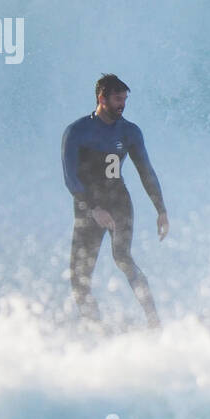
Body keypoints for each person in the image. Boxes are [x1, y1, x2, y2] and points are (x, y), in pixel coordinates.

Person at [61, 74, 169, 327]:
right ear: (102, 98)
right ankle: (98, 331)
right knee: (79, 277)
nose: (122, 105)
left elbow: (146, 172)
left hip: (118, 202)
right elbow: (70, 179)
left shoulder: (130, 132)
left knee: (122, 257)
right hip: (87, 206)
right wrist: (93, 209)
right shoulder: (77, 131)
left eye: (125, 100)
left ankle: (155, 324)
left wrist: (161, 210)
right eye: (117, 99)